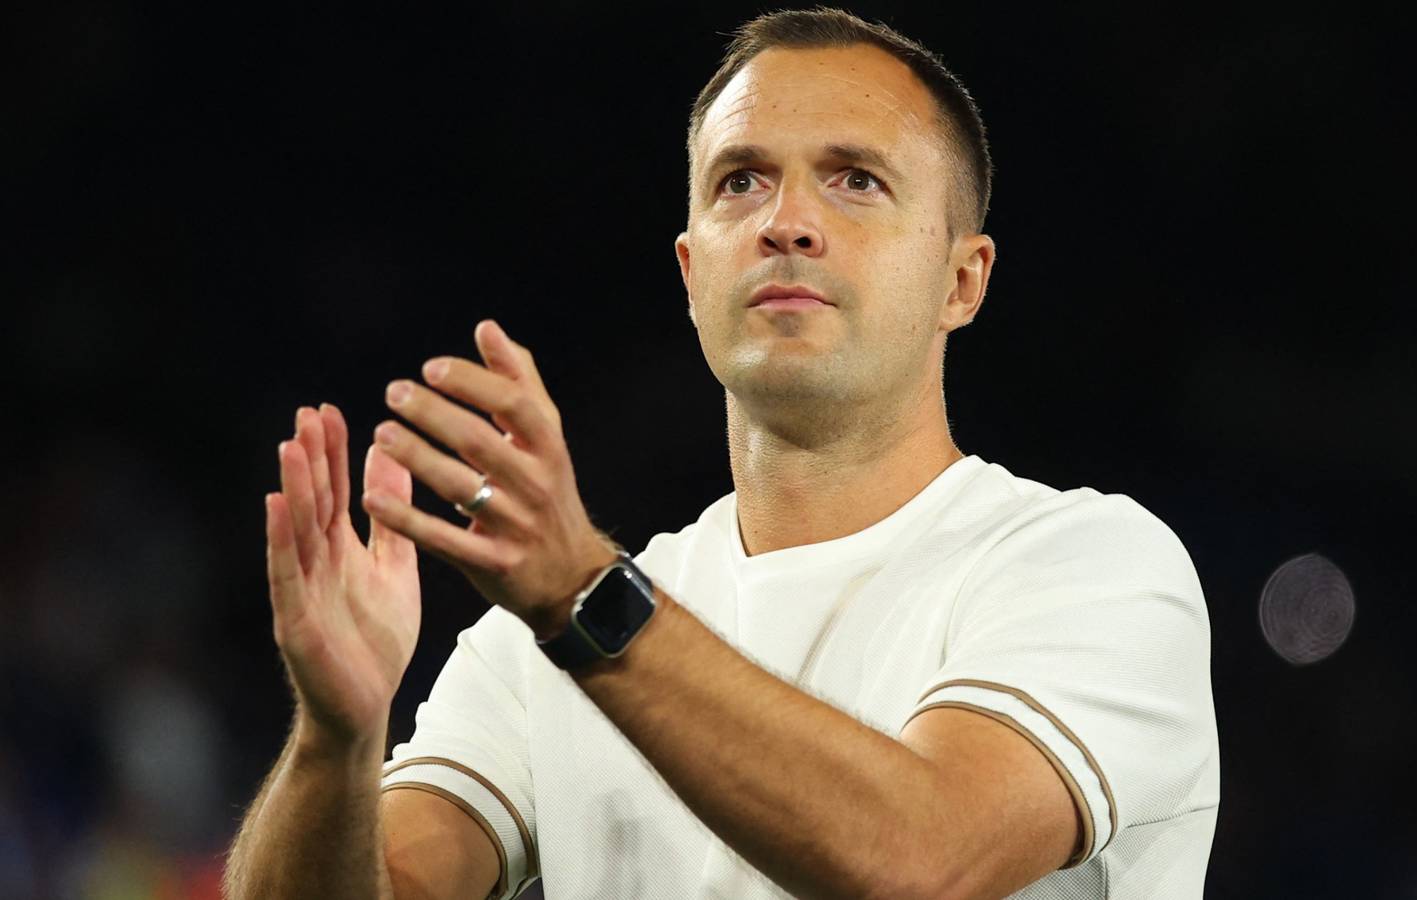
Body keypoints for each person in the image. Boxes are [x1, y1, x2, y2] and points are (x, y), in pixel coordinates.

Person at [224, 8, 1219, 899]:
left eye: (857, 180)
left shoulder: (1095, 567)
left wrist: (584, 597)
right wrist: (335, 742)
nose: (787, 224)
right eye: (741, 181)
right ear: (692, 272)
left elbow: (923, 862)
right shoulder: (537, 645)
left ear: (963, 280)